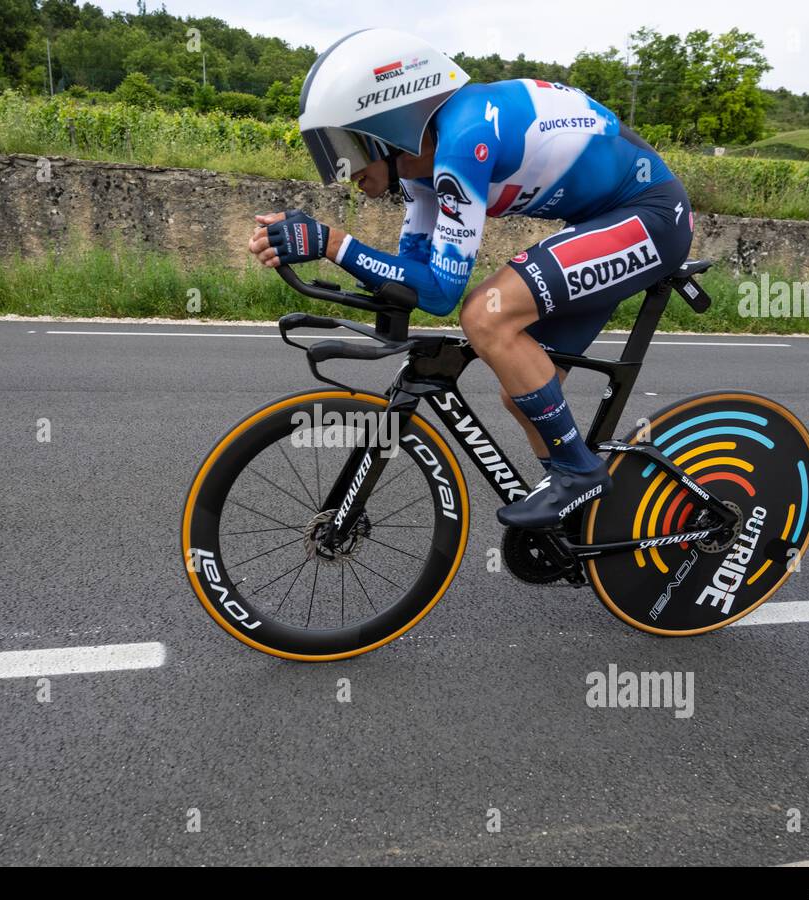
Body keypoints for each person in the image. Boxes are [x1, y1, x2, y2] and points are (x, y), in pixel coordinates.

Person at [249, 27, 694, 529]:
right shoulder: (419, 172)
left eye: (348, 143)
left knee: (486, 315)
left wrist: (334, 245)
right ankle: (586, 526)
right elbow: (412, 278)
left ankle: (579, 473)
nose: (343, 167)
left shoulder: (464, 141)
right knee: (524, 387)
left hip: (652, 216)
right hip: (602, 221)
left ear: (392, 124)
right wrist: (325, 252)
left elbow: (441, 293)